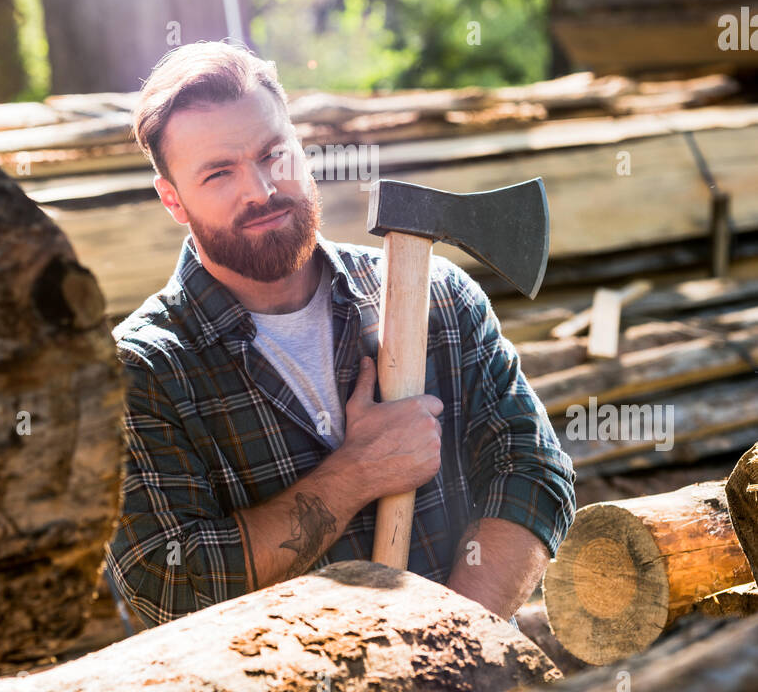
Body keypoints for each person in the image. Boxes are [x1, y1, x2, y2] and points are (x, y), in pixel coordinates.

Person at [106, 40, 575, 628]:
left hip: (467, 691)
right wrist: (358, 473)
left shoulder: (436, 295)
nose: (260, 189)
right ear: (173, 200)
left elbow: (531, 469)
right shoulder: (139, 372)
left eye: (273, 153)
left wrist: (457, 649)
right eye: (219, 173)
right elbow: (169, 586)